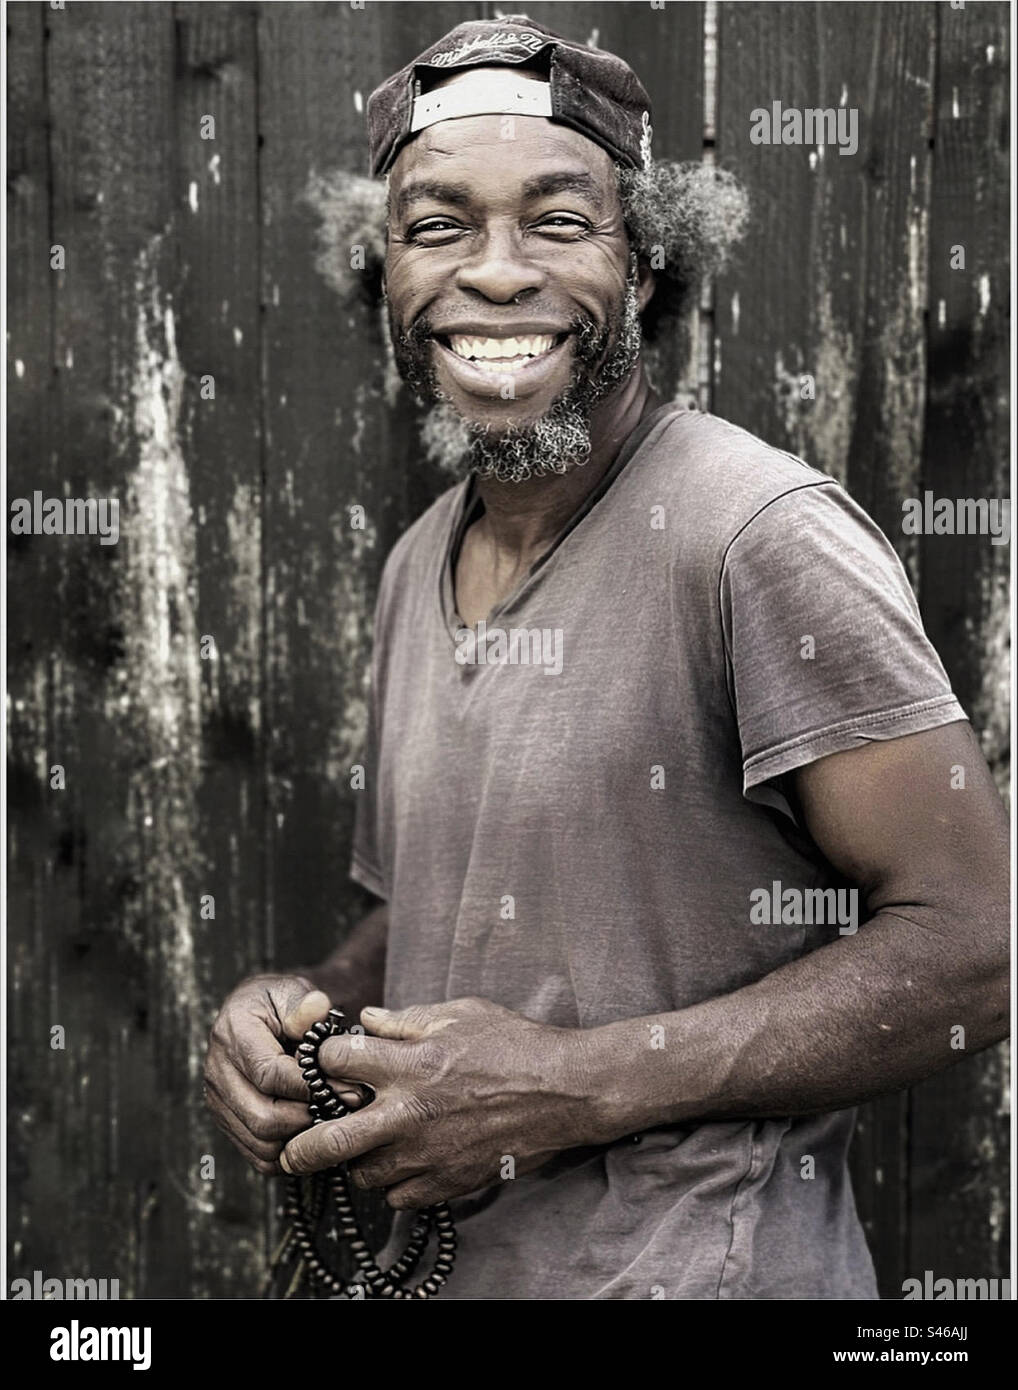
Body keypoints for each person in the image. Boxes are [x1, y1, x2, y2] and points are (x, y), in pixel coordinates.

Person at [204, 16, 1008, 1300]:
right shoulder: (419, 558)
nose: (499, 273)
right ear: (385, 280)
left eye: (560, 221)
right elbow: (442, 907)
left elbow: (980, 944)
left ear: (646, 268)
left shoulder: (754, 535)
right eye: (438, 225)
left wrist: (564, 1087)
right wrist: (300, 1010)